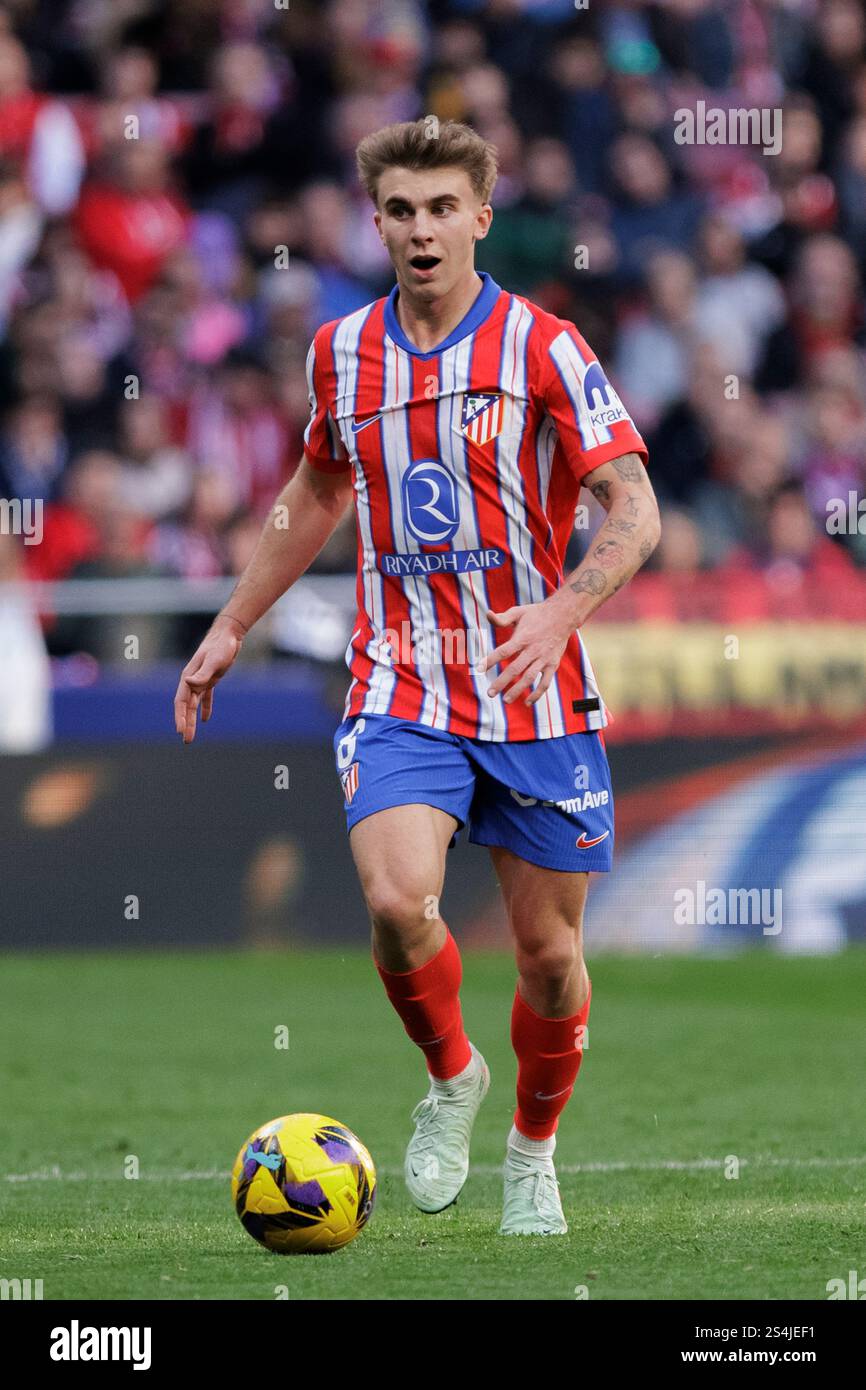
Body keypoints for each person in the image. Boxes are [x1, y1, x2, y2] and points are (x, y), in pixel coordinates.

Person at [173, 120, 661, 1236]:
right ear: (376, 221)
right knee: (399, 903)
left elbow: (634, 510)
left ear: (481, 218)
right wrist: (231, 622)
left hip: (532, 686)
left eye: (442, 208)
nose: (421, 229)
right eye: (400, 210)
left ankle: (531, 1152)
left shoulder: (544, 347)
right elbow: (314, 491)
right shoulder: (341, 352)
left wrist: (559, 609)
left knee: (547, 958)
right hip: (400, 678)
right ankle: (452, 1076)